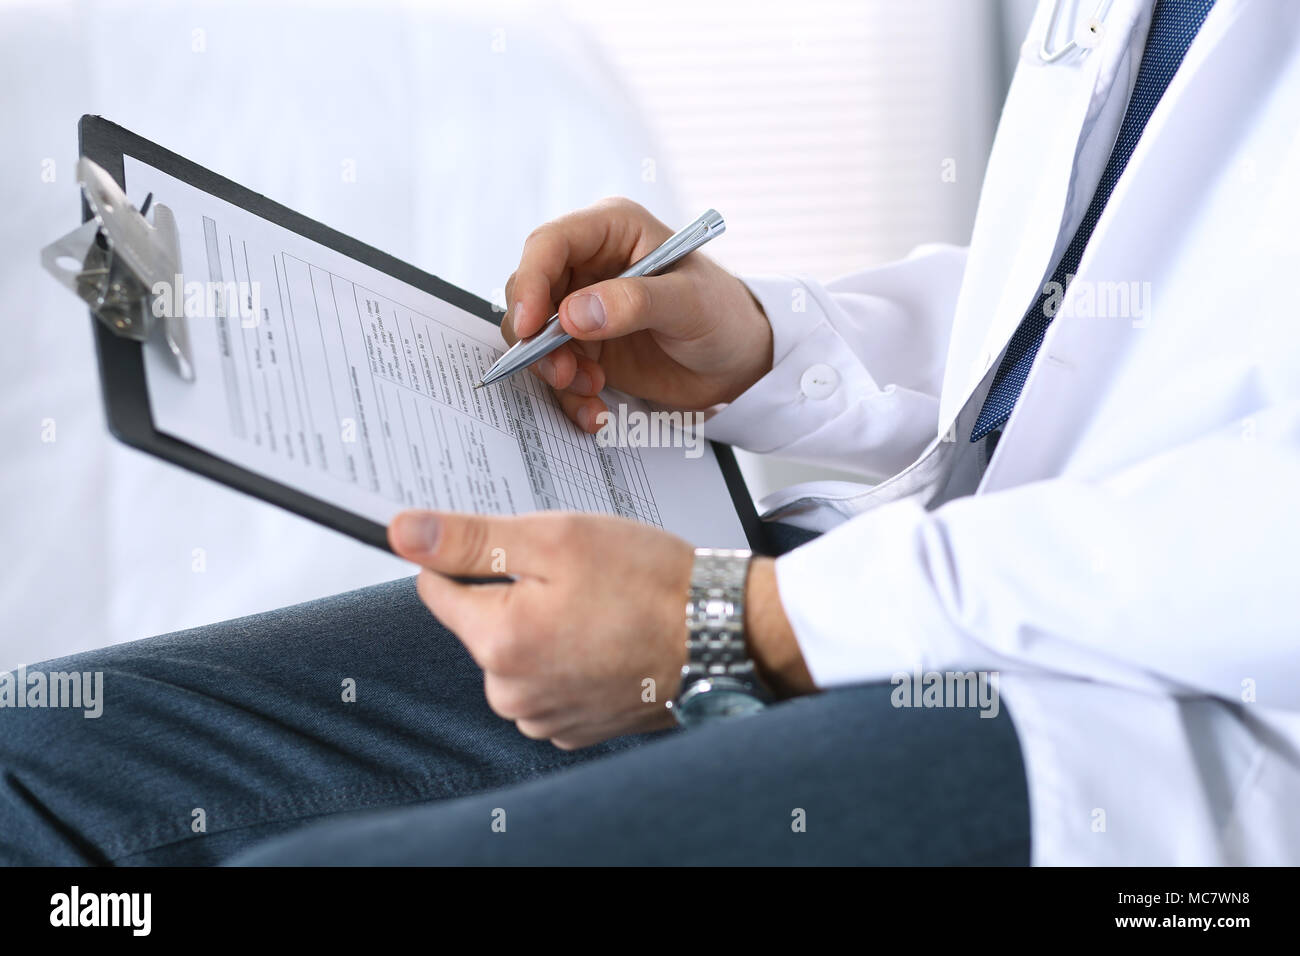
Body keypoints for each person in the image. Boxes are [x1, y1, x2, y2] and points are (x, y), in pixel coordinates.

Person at [3, 0, 1299, 866]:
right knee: (42, 764)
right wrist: (775, 342)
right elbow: (1135, 312)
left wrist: (751, 626)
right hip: (918, 576)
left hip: (1174, 734)